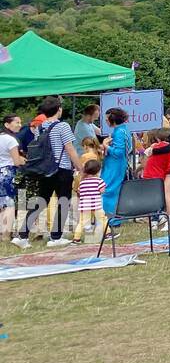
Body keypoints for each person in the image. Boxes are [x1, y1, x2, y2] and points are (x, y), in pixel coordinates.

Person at [14, 96, 85, 249]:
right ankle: (55, 237)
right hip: (62, 168)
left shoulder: (40, 127)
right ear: (59, 109)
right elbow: (70, 148)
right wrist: (80, 168)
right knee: (63, 202)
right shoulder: (63, 126)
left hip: (45, 169)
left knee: (41, 201)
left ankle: (23, 235)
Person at [99, 107, 132, 232]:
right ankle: (112, 218)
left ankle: (111, 219)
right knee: (113, 190)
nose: (106, 121)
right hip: (116, 164)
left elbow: (118, 152)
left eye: (107, 119)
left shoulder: (118, 132)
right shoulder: (123, 129)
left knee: (107, 190)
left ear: (112, 119)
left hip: (114, 165)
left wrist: (106, 146)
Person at [71, 157, 106, 244]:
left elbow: (79, 191)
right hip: (96, 205)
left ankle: (76, 238)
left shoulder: (82, 182)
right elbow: (102, 191)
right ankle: (107, 233)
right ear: (98, 171)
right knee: (102, 219)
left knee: (82, 222)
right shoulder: (99, 181)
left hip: (85, 206)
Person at [0, 114, 24, 241]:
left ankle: (2, 233)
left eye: (20, 122)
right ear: (7, 124)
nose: (20, 125)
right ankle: (5, 235)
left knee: (1, 205)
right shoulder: (11, 140)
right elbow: (16, 161)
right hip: (8, 173)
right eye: (17, 122)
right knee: (9, 205)